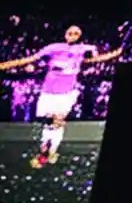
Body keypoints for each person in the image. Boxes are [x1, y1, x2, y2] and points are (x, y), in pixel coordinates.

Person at [0, 25, 122, 168]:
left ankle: (52, 151)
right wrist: (4, 65)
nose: (73, 35)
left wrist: (117, 53)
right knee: (48, 123)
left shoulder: (83, 49)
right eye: (70, 32)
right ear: (65, 34)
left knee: (58, 121)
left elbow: (97, 58)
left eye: (76, 33)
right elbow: (30, 59)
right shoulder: (53, 47)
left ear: (80, 36)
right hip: (48, 92)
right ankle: (44, 150)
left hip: (66, 94)